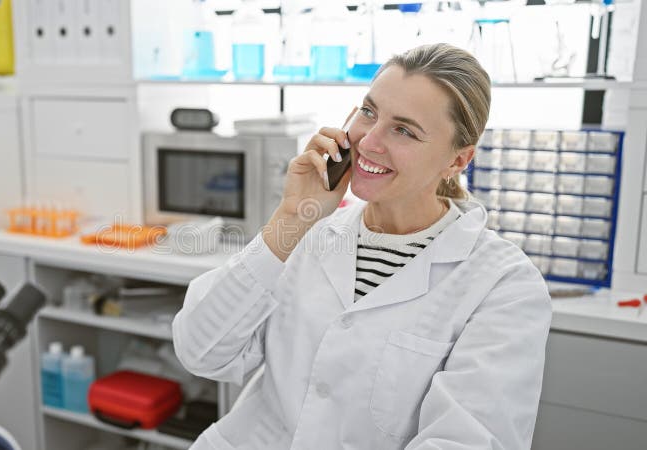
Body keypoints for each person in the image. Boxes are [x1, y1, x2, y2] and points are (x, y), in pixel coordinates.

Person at [172, 43, 552, 450]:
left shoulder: (504, 285)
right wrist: (291, 219)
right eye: (369, 112)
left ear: (457, 161)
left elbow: (465, 442)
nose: (368, 142)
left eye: (404, 130)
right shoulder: (307, 234)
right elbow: (200, 351)